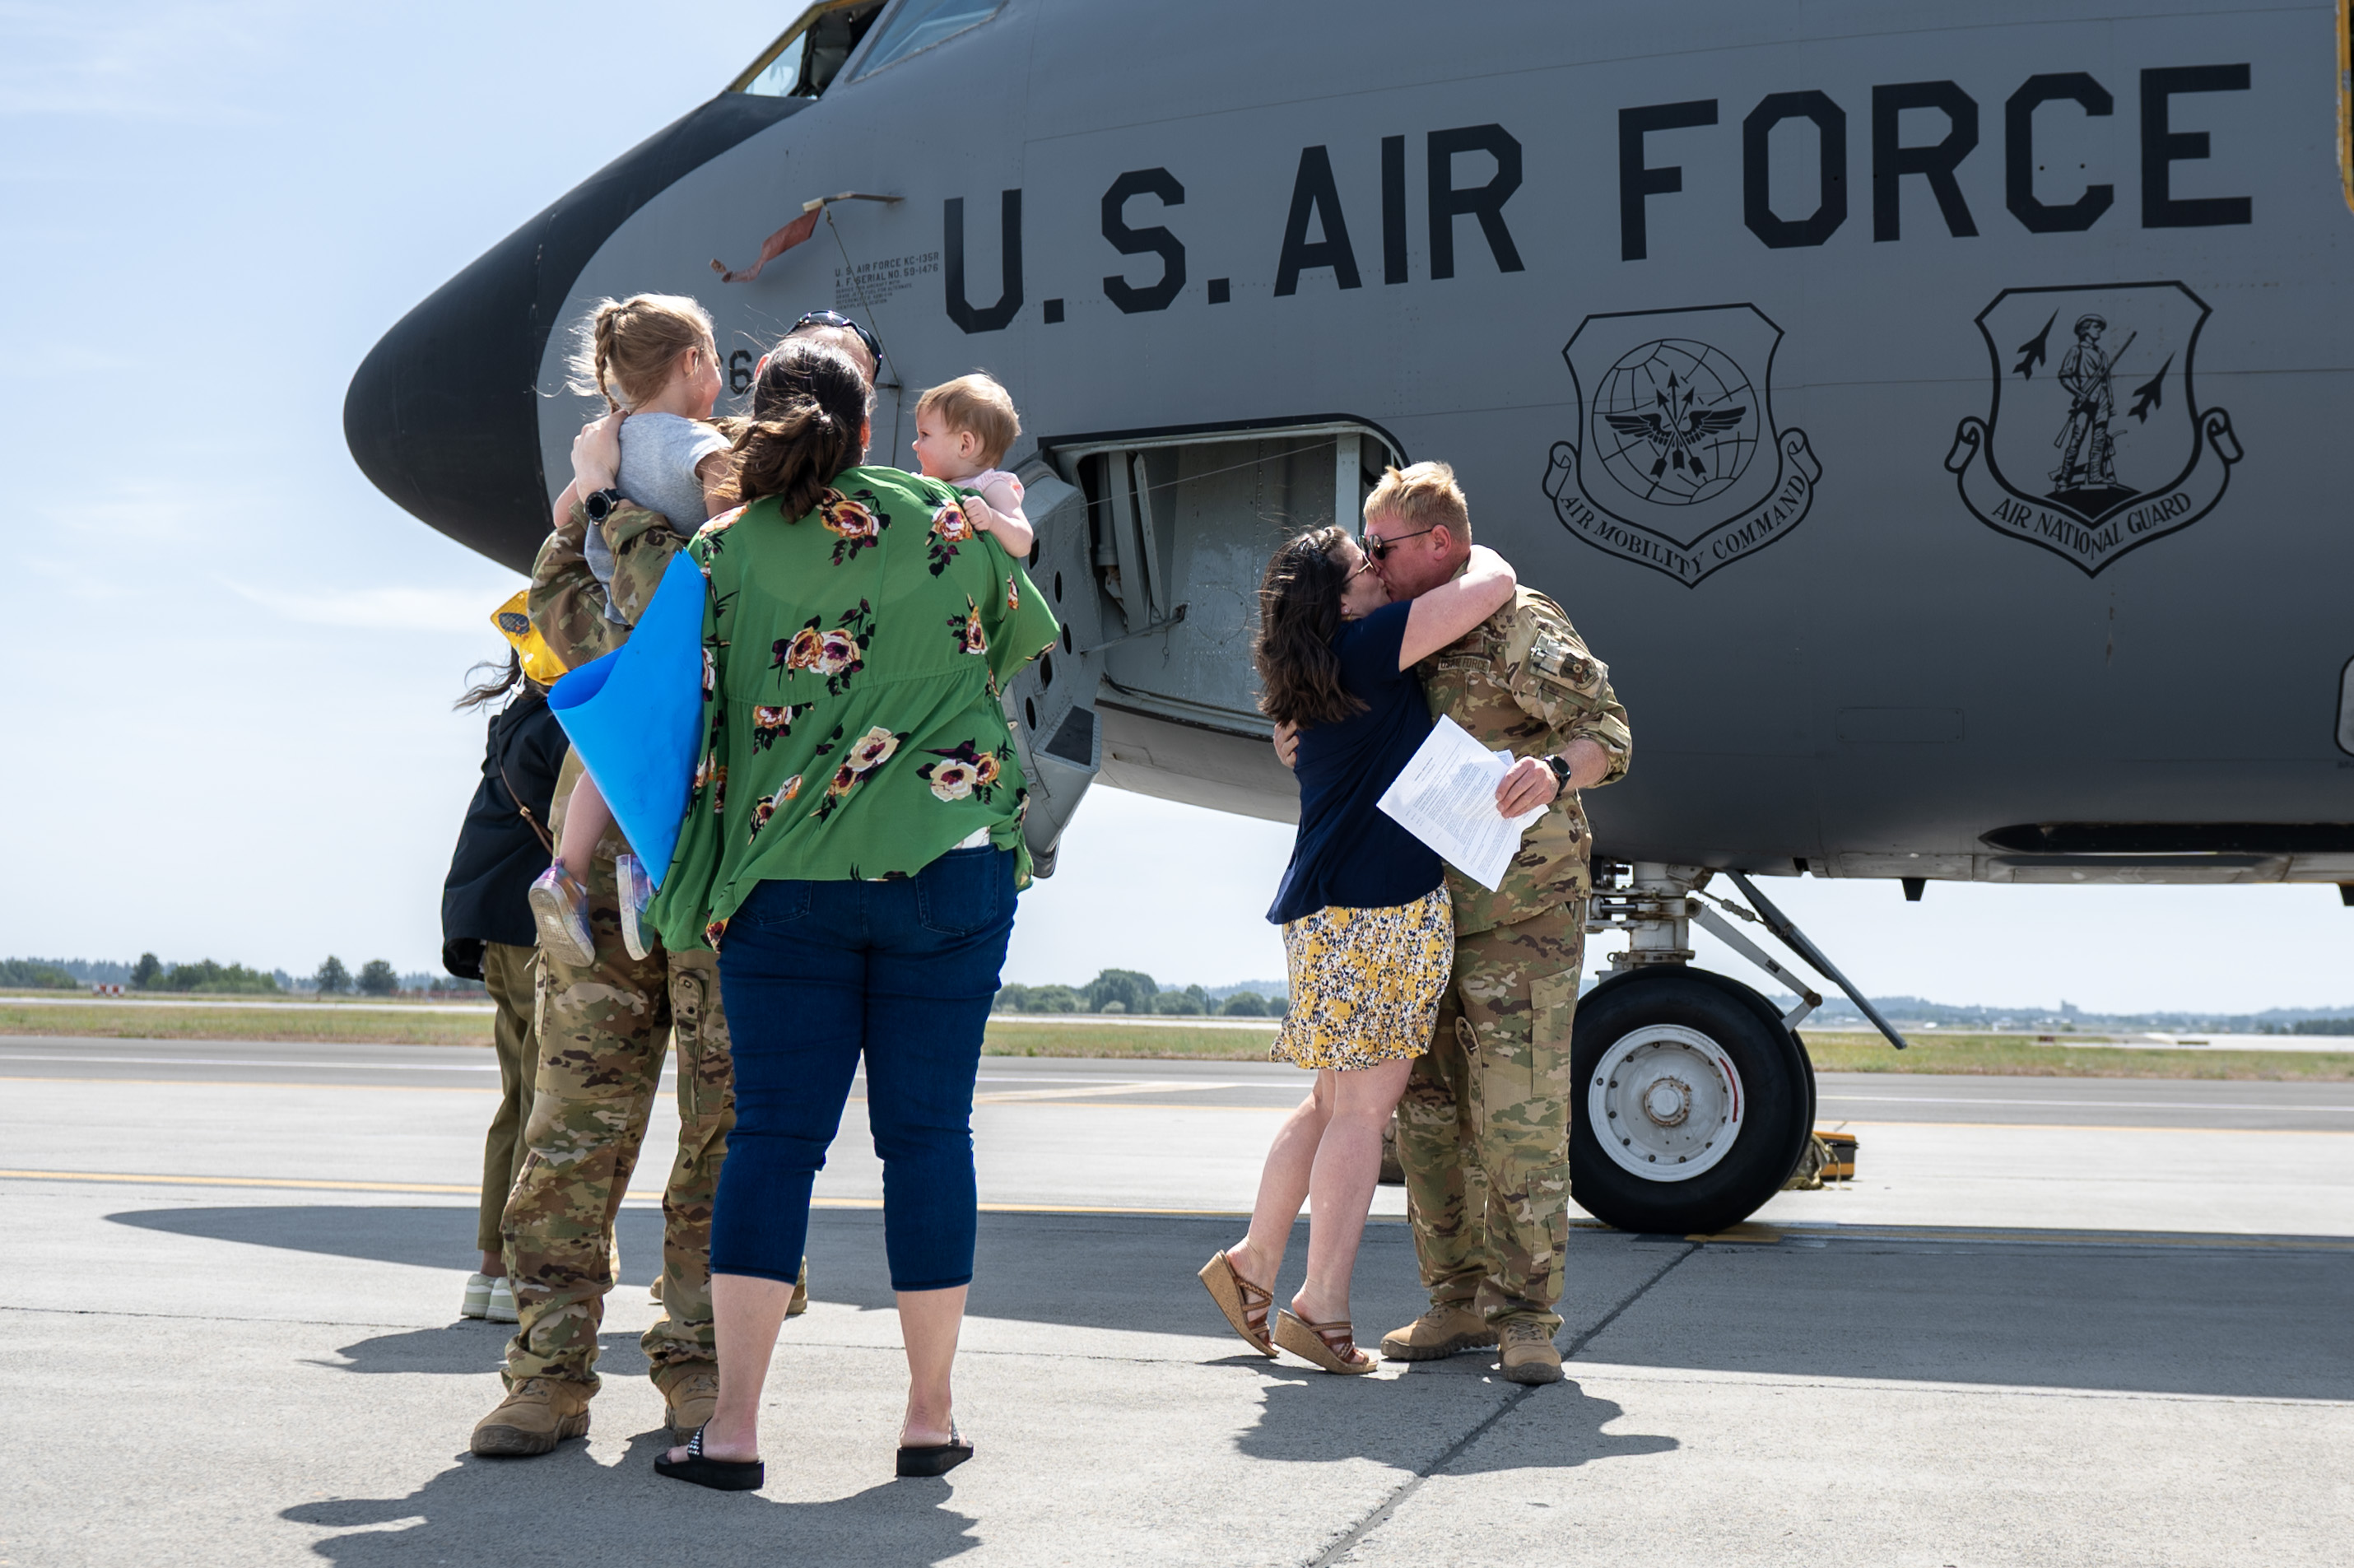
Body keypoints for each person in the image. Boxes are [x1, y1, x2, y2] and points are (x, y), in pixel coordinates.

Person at [643, 340, 1057, 1491]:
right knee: (929, 1139)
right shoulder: (950, 523)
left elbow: (669, 714)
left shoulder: (720, 555)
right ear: (870, 425)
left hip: (785, 887)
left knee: (773, 1143)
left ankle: (732, 1431)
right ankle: (929, 1416)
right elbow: (1019, 644)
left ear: (755, 423)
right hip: (949, 871)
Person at [468, 309, 880, 1462]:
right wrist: (599, 511)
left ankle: (701, 1368)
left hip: (726, 872)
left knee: (727, 1133)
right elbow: (575, 628)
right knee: (571, 1132)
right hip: (603, 881)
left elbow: (721, 604)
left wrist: (606, 500)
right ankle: (547, 1371)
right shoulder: (628, 517)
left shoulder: (761, 518)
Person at [1276, 462, 1631, 1386]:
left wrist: (1557, 772)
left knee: (1518, 1116)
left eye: (1382, 547)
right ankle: (1455, 1299)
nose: (1373, 563)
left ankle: (1527, 1318)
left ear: (1439, 545)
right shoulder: (1396, 632)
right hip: (1417, 910)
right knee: (1425, 1120)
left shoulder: (1518, 624)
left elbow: (1612, 733)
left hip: (1522, 914)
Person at [1199, 523, 1517, 1374]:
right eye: (1362, 563)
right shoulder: (1369, 643)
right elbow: (1492, 588)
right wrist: (1466, 553)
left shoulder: (1311, 670)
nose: (1379, 571)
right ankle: (1321, 1306)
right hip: (1381, 910)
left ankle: (1253, 1265)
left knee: (1328, 1105)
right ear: (1341, 600)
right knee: (1362, 1115)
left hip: (1325, 912)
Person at [528, 294, 737, 967]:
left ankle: (565, 871)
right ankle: (649, 874)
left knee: (608, 757)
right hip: (671, 625)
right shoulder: (701, 440)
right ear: (691, 360)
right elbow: (724, 527)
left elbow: (567, 511)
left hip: (615, 616)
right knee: (682, 751)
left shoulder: (610, 440)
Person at [440, 598, 569, 1325]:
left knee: (518, 1099)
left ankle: (490, 1270)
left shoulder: (518, 719)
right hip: (531, 936)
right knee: (548, 1104)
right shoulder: (559, 728)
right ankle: (521, 1269)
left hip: (496, 932)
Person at [908, 373, 1033, 555]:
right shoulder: (927, 483)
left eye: (925, 435)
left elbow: (1023, 541)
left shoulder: (991, 487)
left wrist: (992, 519)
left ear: (965, 445)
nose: (915, 445)